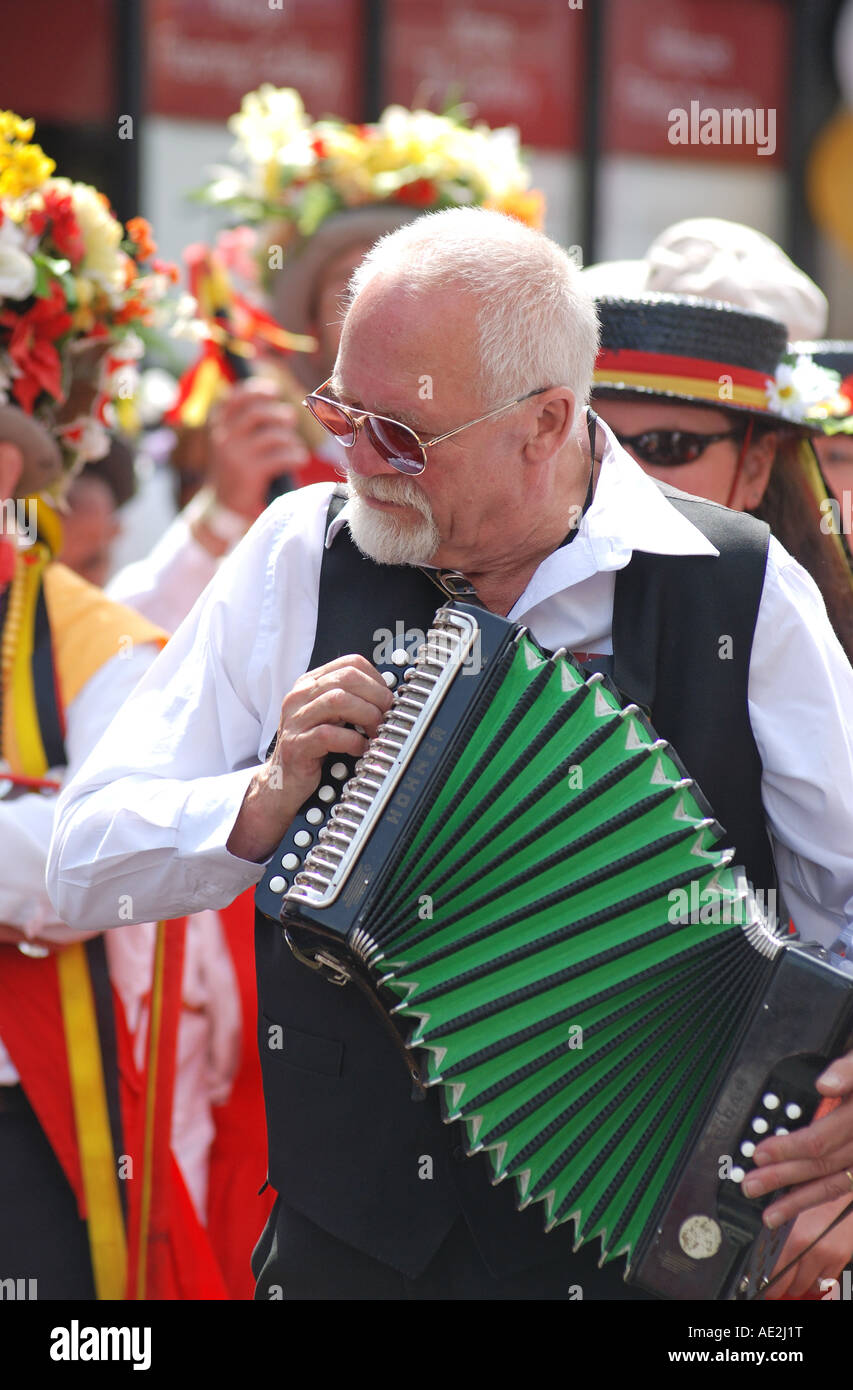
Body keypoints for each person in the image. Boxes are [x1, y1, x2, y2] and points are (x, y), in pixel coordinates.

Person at [48, 207, 853, 1301]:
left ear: (546, 422)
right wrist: (254, 802)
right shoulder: (300, 554)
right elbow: (80, 861)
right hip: (353, 1246)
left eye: (403, 435)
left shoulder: (742, 589)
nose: (355, 457)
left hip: (655, 1242)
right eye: (342, 410)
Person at [588, 293, 853, 665]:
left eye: (669, 445)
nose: (622, 474)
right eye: (593, 444)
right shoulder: (504, 605)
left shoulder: (791, 644)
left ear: (754, 468)